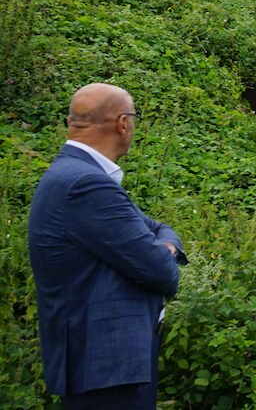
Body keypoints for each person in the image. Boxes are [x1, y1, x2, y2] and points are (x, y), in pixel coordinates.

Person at [28, 83, 187, 408]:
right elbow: (162, 272)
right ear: (123, 123)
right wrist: (166, 251)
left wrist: (161, 245)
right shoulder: (86, 185)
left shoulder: (72, 175)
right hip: (106, 369)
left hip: (102, 367)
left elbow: (158, 229)